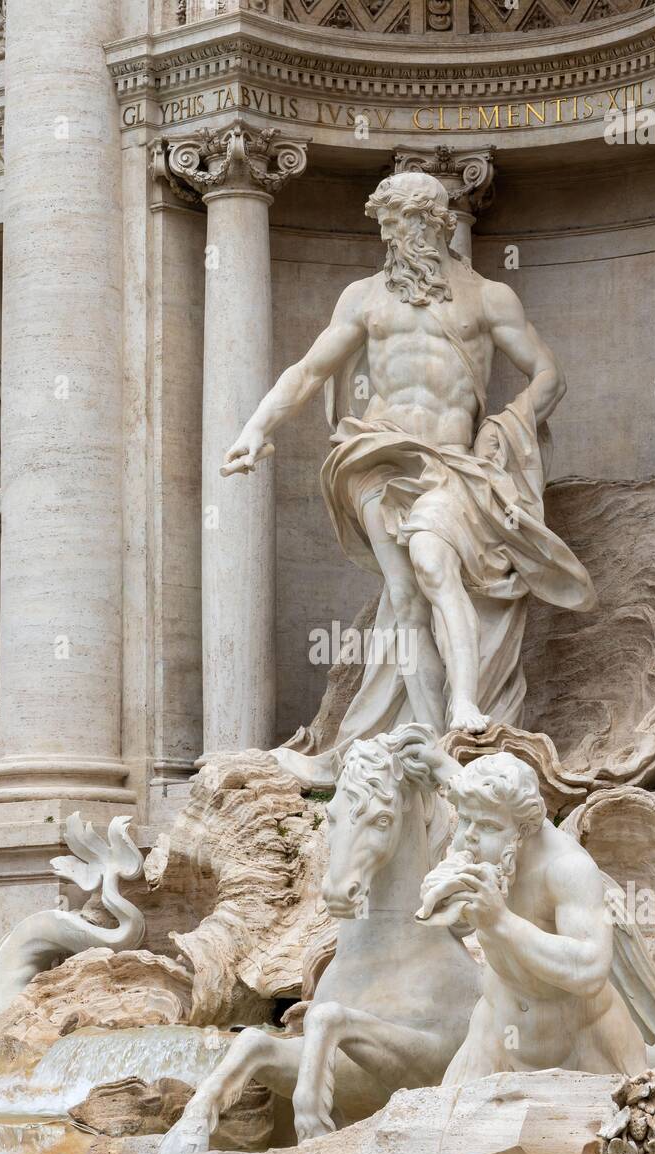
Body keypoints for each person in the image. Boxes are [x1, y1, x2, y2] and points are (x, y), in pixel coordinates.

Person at [222, 171, 595, 786]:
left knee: (431, 561)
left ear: (440, 223)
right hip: (374, 453)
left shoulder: (487, 298)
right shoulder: (364, 298)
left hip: (450, 461)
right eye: (390, 227)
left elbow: (548, 376)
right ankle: (429, 735)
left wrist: (504, 431)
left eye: (410, 224)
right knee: (402, 598)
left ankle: (466, 704)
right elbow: (310, 370)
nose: (399, 239)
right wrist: (255, 429)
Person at [411, 742, 655, 1077]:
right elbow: (457, 922)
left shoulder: (567, 868)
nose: (469, 838)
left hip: (585, 1042)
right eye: (465, 821)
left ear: (525, 830)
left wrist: (500, 920)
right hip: (497, 1030)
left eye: (486, 826)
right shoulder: (480, 840)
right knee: (447, 1126)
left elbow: (590, 970)